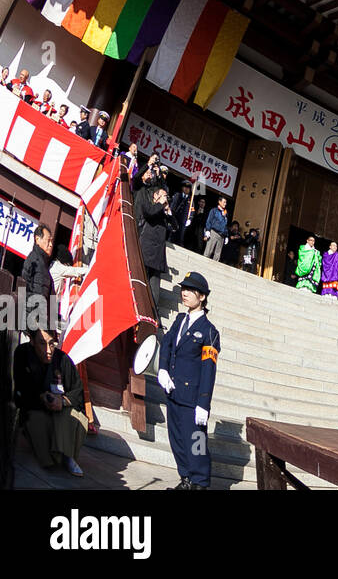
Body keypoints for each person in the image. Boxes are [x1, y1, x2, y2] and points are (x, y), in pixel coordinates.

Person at [156, 272, 219, 489]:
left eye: (190, 290)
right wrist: (162, 369)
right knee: (177, 440)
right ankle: (186, 479)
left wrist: (203, 404)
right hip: (173, 392)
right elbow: (167, 344)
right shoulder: (180, 319)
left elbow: (208, 371)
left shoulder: (209, 332)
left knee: (196, 444)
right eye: (183, 288)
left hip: (192, 399)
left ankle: (200, 482)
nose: (184, 293)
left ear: (202, 296)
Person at [13, 328, 87, 477]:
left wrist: (62, 401)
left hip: (59, 413)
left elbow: (78, 393)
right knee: (48, 458)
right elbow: (20, 387)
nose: (48, 350)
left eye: (51, 344)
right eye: (42, 343)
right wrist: (40, 397)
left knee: (70, 416)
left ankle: (68, 456)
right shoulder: (23, 354)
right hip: (35, 410)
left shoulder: (63, 360)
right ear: (32, 342)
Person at [138, 184, 170, 312]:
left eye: (166, 196)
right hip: (146, 250)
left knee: (155, 285)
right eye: (162, 195)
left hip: (157, 254)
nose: (164, 198)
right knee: (142, 281)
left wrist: (168, 211)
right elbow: (149, 213)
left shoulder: (163, 211)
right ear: (155, 196)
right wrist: (160, 204)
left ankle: (154, 313)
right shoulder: (149, 204)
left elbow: (174, 226)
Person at [203, 196, 228, 260]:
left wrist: (226, 235)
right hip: (214, 232)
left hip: (222, 235)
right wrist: (208, 230)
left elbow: (225, 225)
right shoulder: (214, 210)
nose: (225, 204)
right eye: (224, 202)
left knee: (217, 254)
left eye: (226, 202)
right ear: (219, 202)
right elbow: (209, 221)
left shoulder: (225, 213)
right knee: (209, 251)